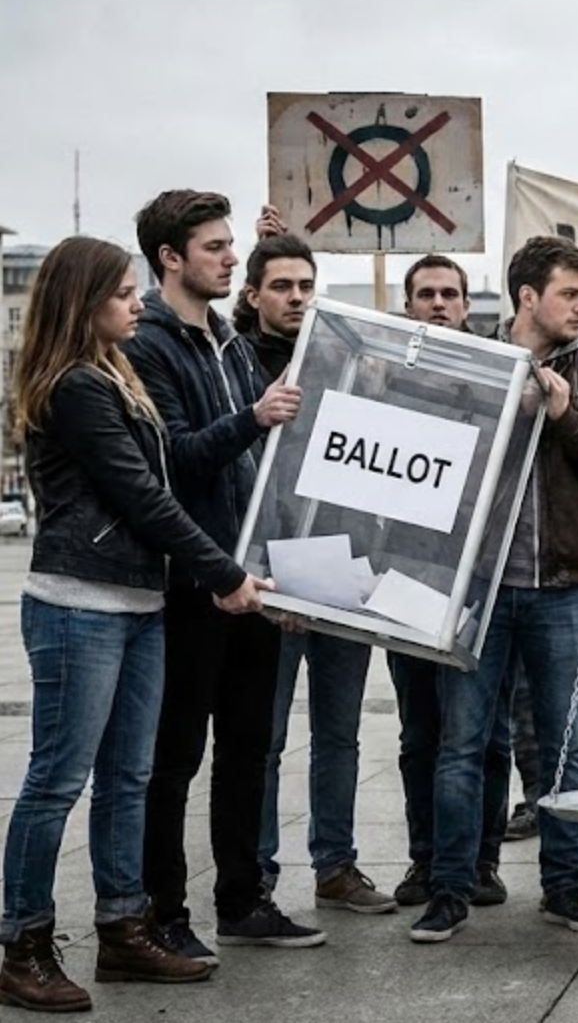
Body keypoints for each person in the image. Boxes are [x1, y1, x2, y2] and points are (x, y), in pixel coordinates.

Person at [0, 238, 270, 1011]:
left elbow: (164, 481)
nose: (138, 303)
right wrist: (224, 575)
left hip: (139, 604)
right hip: (77, 605)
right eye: (122, 293)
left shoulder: (117, 375)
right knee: (56, 779)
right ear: (84, 302)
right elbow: (141, 496)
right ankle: (21, 941)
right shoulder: (77, 386)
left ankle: (123, 928)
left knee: (130, 777)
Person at [125, 190, 324, 959]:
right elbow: (168, 459)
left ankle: (243, 900)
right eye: (214, 246)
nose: (231, 256)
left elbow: (263, 471)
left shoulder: (227, 342)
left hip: (249, 579)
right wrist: (254, 417)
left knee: (249, 746)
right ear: (171, 258)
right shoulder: (147, 343)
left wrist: (285, 576)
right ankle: (162, 913)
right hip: (187, 581)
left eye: (230, 243)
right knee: (174, 757)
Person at [410, 236, 578, 943]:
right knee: (462, 743)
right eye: (569, 293)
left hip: (563, 584)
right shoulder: (467, 365)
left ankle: (564, 886)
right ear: (527, 297)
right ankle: (450, 890)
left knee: (565, 748)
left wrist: (567, 416)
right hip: (479, 584)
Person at [230, 231, 394, 915]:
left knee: (340, 731)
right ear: (253, 295)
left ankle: (336, 866)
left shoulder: (340, 353)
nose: (296, 297)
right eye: (281, 286)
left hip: (341, 566)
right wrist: (267, 568)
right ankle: (257, 872)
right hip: (267, 576)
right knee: (260, 736)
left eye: (305, 286)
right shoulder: (234, 362)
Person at [384, 255, 516, 910]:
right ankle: (426, 860)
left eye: (451, 294)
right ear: (408, 304)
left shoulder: (498, 374)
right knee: (421, 732)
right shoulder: (387, 376)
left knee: (488, 733)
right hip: (407, 569)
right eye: (427, 293)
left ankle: (483, 860)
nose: (440, 303)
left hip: (484, 576)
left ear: (468, 305)